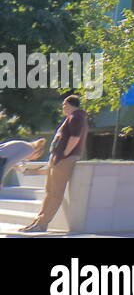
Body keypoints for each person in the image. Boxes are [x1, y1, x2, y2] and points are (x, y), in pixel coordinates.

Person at [19, 95, 88, 233]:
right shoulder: (71, 118)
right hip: (57, 158)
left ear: (69, 105)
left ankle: (42, 224)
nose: (63, 107)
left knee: (55, 194)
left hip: (63, 160)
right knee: (49, 192)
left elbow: (75, 137)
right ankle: (38, 221)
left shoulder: (77, 117)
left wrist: (65, 154)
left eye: (64, 104)